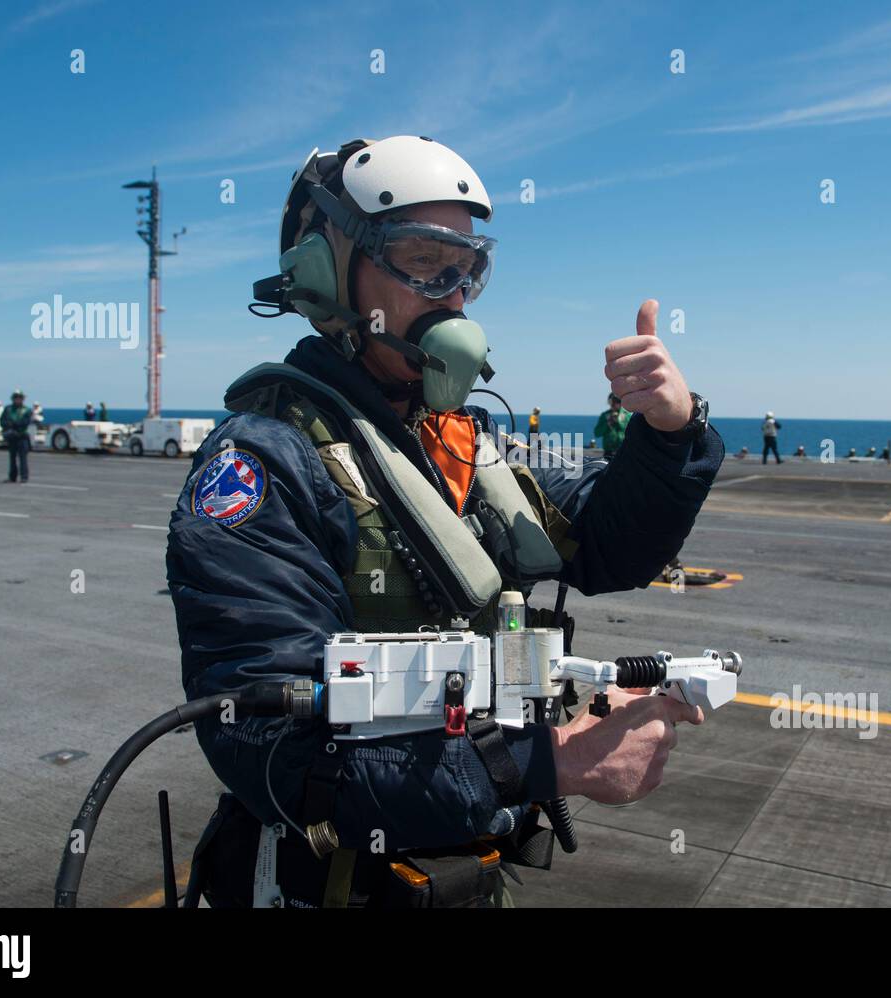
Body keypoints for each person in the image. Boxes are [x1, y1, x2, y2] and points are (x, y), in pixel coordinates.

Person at [166, 135, 721, 909]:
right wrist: (545, 763)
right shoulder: (264, 465)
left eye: (467, 267)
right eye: (424, 260)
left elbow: (608, 546)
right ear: (329, 273)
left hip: (456, 879)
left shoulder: (461, 442)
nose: (453, 293)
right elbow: (264, 744)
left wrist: (670, 436)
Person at [0, 389, 33, 483]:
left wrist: (14, 424)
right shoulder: (8, 409)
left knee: (23, 458)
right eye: (16, 398)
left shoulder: (26, 410)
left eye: (20, 398)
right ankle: (12, 477)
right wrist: (9, 426)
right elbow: (2, 421)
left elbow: (25, 422)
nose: (18, 400)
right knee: (12, 457)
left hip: (22, 436)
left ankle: (24, 476)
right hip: (12, 435)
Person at [593, 392, 630, 460]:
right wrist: (608, 424)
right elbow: (597, 433)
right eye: (613, 402)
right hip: (608, 452)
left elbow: (631, 432)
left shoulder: (627, 416)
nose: (614, 404)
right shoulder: (605, 416)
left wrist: (619, 422)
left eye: (617, 401)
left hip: (624, 450)